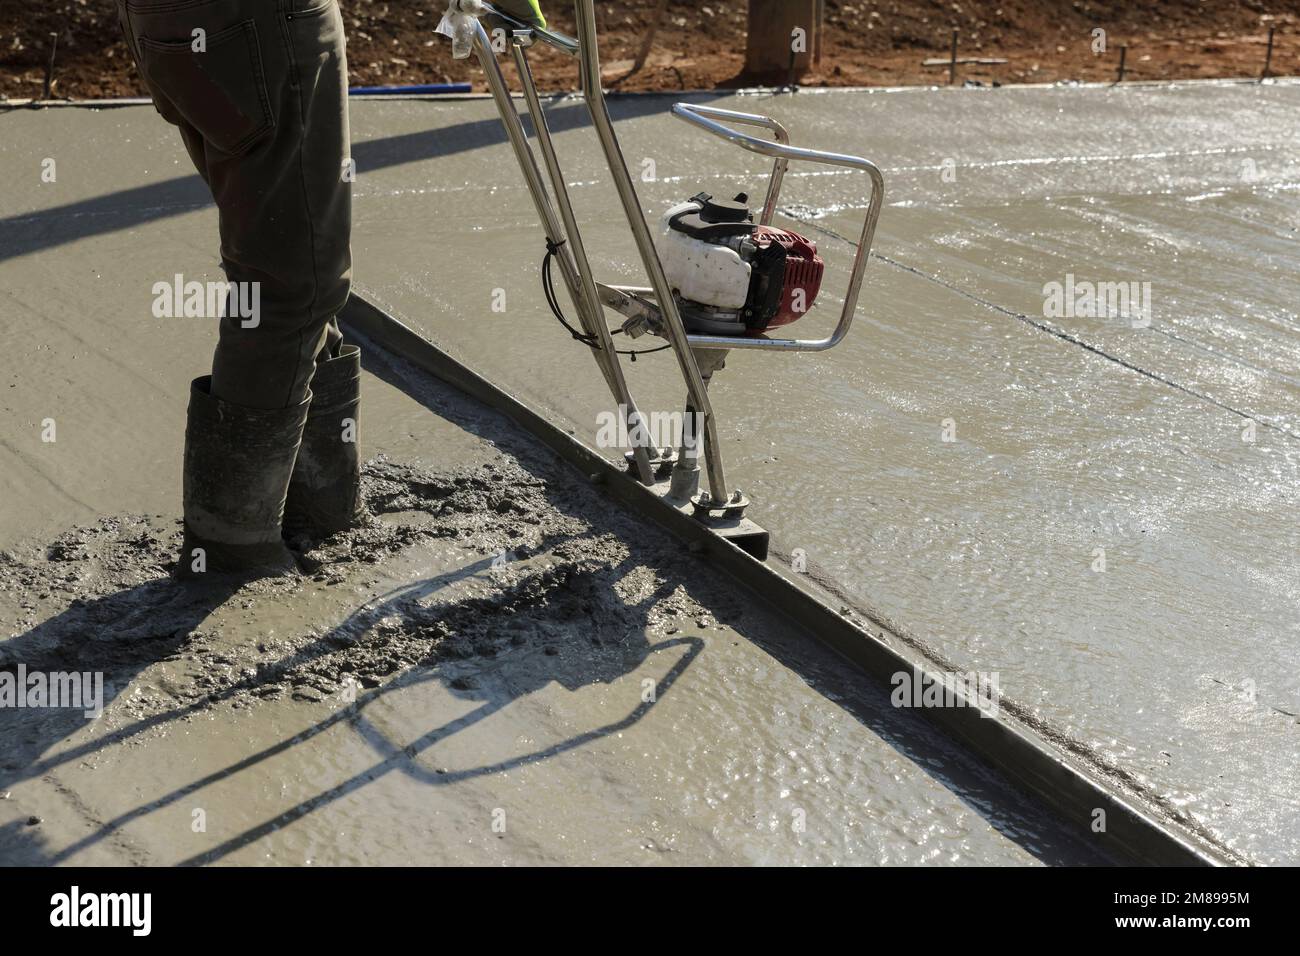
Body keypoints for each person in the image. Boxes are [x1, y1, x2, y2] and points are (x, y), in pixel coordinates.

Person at [113, 0, 546, 578]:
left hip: (182, 26)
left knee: (289, 257)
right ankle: (232, 548)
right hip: (259, 28)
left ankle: (318, 508)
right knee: (291, 284)